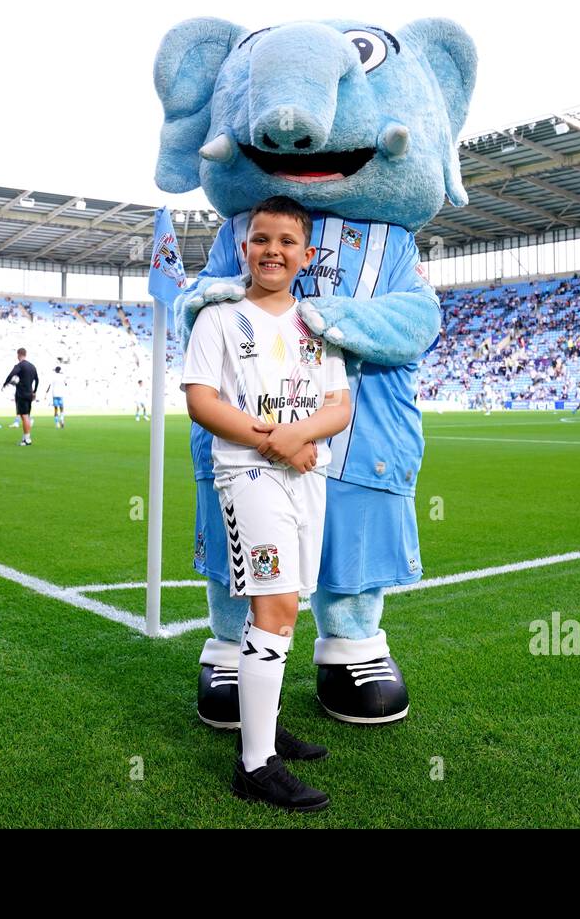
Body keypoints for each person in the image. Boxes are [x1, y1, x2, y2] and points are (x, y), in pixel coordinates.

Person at [181, 196, 351, 812]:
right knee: (273, 603)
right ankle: (255, 765)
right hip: (247, 474)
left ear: (306, 256)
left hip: (308, 476)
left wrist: (299, 440)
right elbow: (202, 401)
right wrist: (277, 441)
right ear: (243, 247)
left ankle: (264, 723)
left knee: (288, 608)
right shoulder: (219, 319)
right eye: (259, 239)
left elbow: (340, 407)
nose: (271, 250)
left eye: (285, 241)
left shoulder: (317, 324)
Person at [1, 348, 38, 446]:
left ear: (18, 354)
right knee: (26, 416)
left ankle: (27, 439)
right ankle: (25, 438)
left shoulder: (19, 365)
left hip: (21, 394)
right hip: (29, 394)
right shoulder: (32, 366)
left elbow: (12, 374)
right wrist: (34, 391)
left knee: (24, 416)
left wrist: (5, 383)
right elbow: (37, 380)